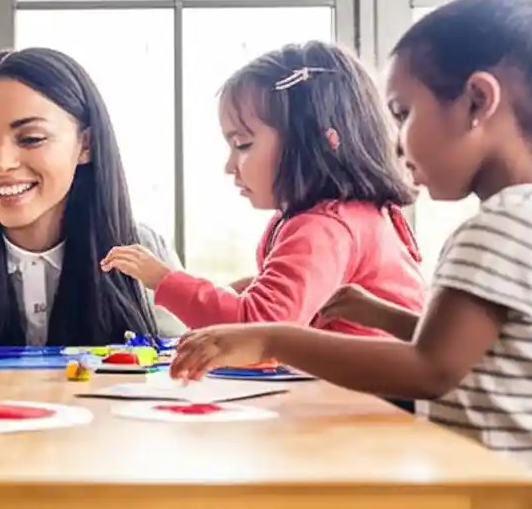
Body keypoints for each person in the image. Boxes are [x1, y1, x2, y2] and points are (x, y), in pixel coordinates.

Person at [171, 0, 532, 509]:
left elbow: (430, 369)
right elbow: (482, 353)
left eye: (403, 114)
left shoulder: (501, 229)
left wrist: (275, 337)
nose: (398, 143)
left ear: (478, 101)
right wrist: (379, 314)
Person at [102, 41, 424, 337]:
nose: (230, 166)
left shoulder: (324, 227)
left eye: (243, 144)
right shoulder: (353, 215)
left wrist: (163, 279)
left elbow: (261, 331)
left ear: (318, 144)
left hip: (370, 396)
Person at [0, 47, 186, 346]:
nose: (0, 164)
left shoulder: (145, 255)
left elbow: (185, 370)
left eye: (31, 139)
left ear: (86, 144)